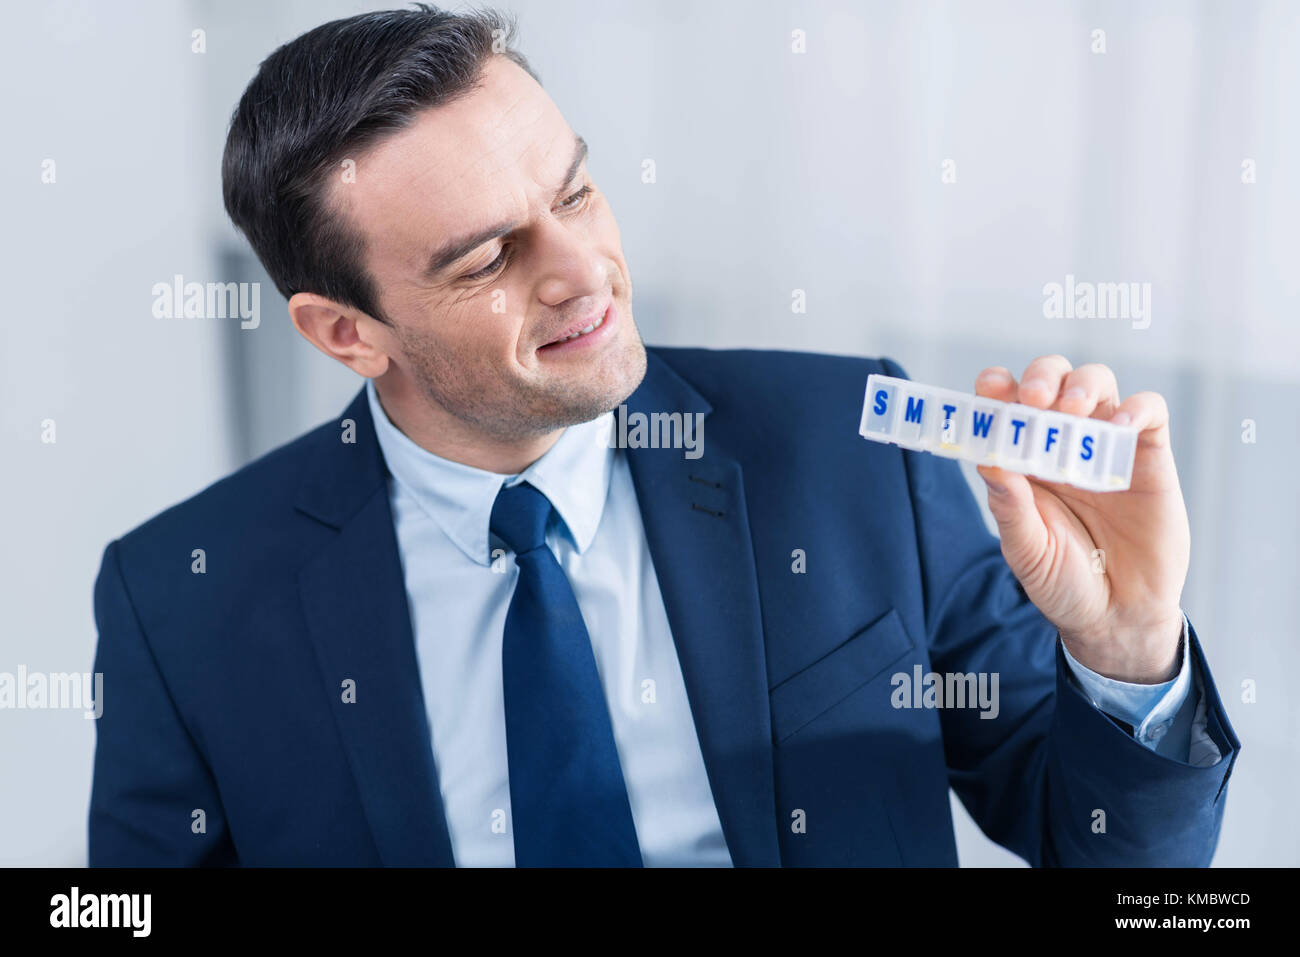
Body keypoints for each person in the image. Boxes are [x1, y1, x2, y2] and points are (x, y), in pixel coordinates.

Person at [89, 5, 1239, 867]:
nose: (584, 272)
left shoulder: (849, 459)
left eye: (577, 193)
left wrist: (1127, 648)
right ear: (346, 332)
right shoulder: (180, 602)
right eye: (490, 257)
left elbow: (1122, 870)